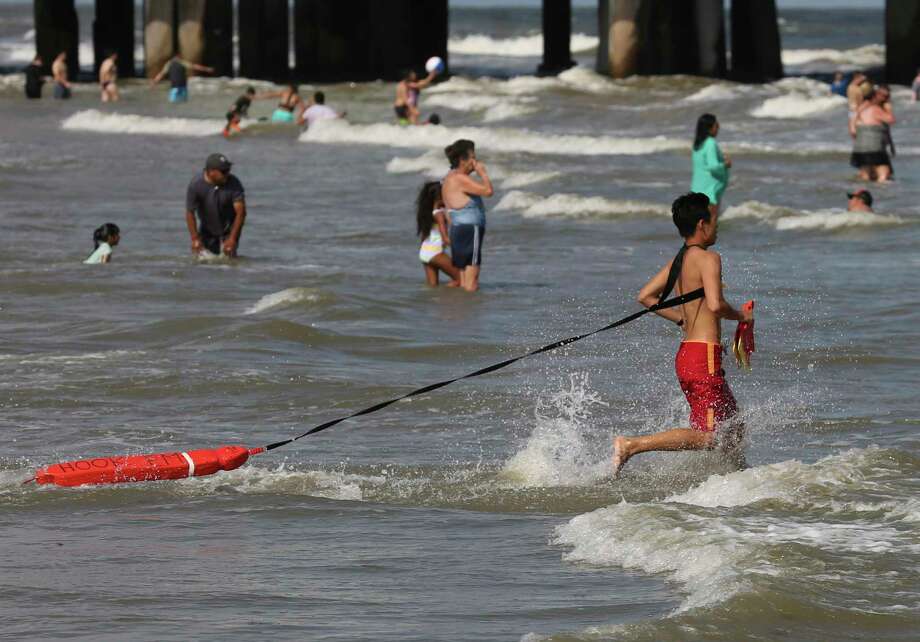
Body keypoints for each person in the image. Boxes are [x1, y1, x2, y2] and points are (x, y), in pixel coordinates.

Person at [612, 192, 753, 477]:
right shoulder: (708, 258)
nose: (717, 227)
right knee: (710, 436)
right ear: (702, 224)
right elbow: (715, 304)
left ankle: (734, 480)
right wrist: (741, 316)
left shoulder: (680, 259)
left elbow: (645, 296)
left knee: (734, 426)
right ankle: (631, 445)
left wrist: (682, 321)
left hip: (688, 355)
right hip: (704, 359)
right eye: (714, 221)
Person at [442, 139, 493, 292]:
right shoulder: (461, 179)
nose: (475, 162)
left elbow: (447, 209)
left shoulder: (449, 178)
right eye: (473, 158)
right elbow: (488, 191)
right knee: (472, 281)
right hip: (470, 230)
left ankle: (463, 310)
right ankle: (470, 310)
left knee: (464, 279)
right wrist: (483, 173)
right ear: (462, 160)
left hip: (457, 229)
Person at [185, 153, 246, 258]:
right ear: (211, 172)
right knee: (205, 263)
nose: (228, 173)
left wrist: (232, 238)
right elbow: (190, 212)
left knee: (229, 263)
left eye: (228, 170)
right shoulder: (196, 185)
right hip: (206, 231)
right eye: (224, 171)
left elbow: (241, 213)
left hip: (229, 231)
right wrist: (195, 238)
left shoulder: (234, 183)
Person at [416, 181, 461, 287]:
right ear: (440, 197)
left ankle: (434, 301)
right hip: (435, 252)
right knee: (461, 280)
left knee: (432, 287)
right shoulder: (439, 214)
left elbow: (423, 236)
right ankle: (445, 299)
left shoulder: (426, 213)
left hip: (424, 252)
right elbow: (445, 238)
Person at [849, 85, 895, 182]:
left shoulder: (862, 107)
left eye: (888, 97)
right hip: (874, 147)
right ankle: (885, 196)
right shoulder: (875, 109)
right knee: (884, 174)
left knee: (866, 176)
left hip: (860, 148)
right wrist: (889, 109)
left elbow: (853, 129)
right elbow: (891, 120)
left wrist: (891, 145)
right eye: (885, 96)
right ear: (875, 95)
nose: (886, 99)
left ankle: (867, 193)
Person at [690, 114, 731, 217]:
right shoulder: (710, 143)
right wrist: (725, 164)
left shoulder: (698, 144)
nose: (718, 127)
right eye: (716, 125)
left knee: (700, 228)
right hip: (709, 192)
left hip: (696, 190)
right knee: (710, 227)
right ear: (709, 128)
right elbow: (713, 166)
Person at [150, 55, 214, 103]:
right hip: (182, 87)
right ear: (178, 57)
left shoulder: (169, 64)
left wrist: (154, 82)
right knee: (183, 103)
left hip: (174, 87)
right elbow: (194, 66)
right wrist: (206, 69)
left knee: (172, 104)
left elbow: (161, 74)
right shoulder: (182, 62)